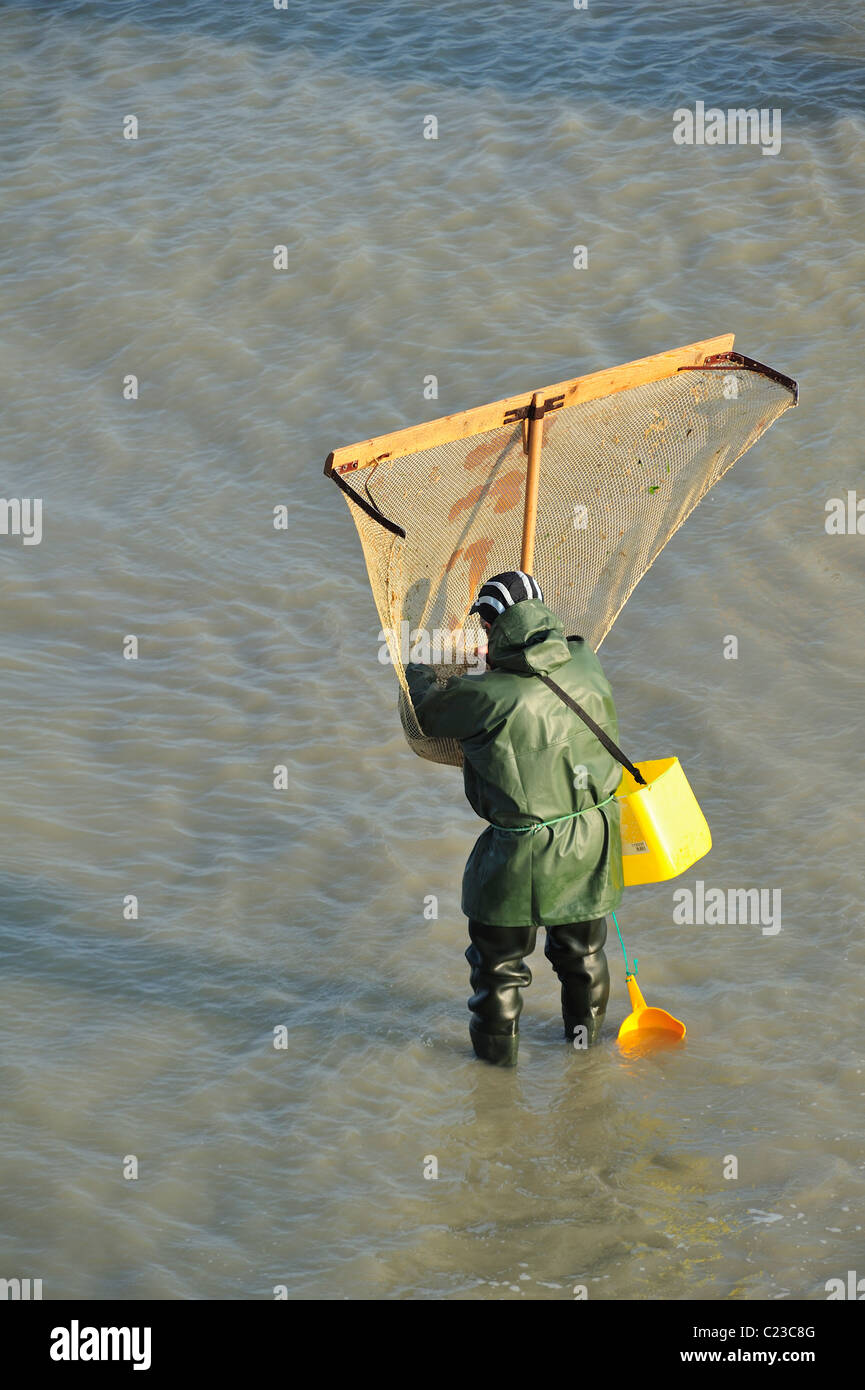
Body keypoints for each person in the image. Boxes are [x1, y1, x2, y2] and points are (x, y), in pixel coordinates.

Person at [405, 571, 624, 1066]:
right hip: (591, 838)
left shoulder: (489, 698)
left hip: (521, 850)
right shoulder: (586, 661)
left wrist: (420, 667)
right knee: (583, 958)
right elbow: (542, 680)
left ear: (489, 626)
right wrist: (499, 665)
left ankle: (495, 1085)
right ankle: (583, 1062)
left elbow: (429, 709)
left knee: (498, 969)